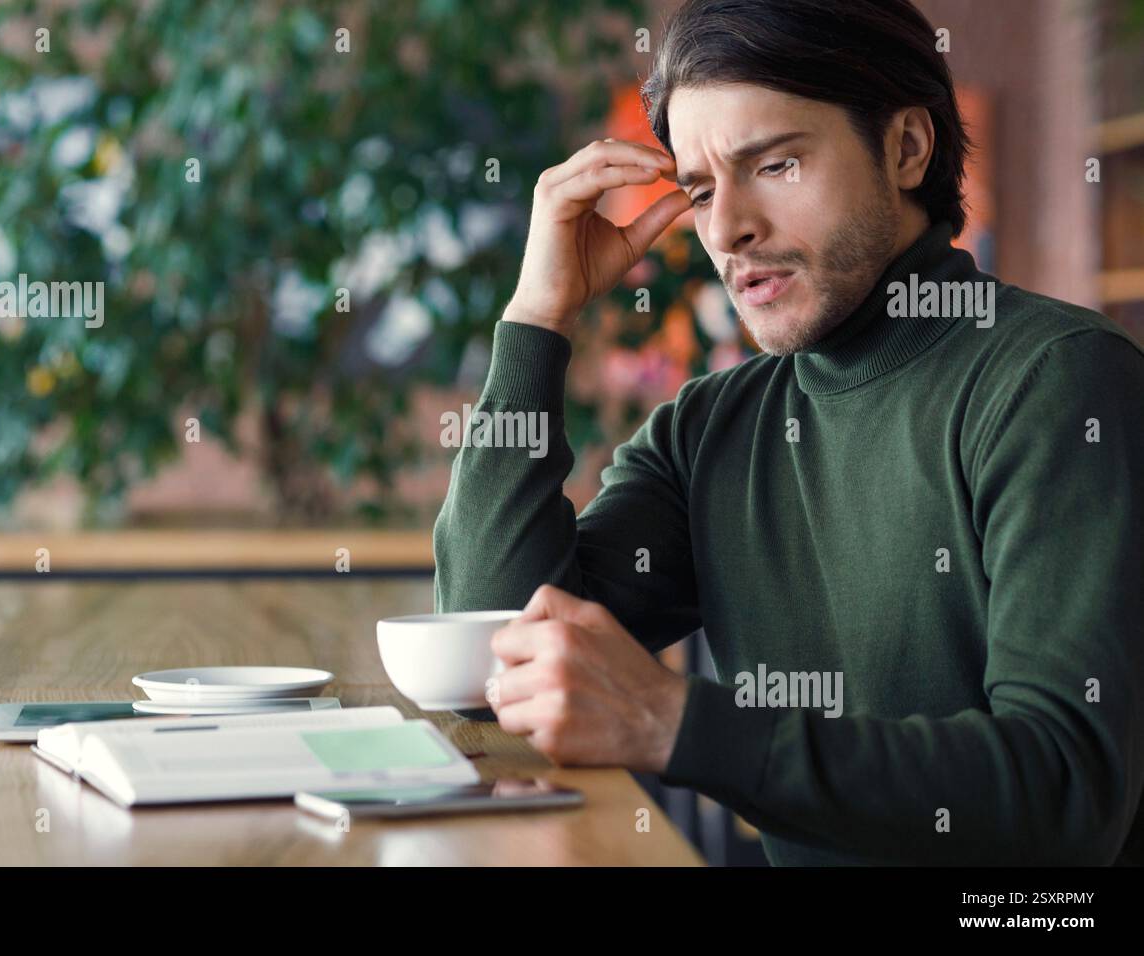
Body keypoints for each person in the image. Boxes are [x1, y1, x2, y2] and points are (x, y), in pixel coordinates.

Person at [432, 0, 1144, 865]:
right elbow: (492, 654)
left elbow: (1064, 791)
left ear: (907, 148)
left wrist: (674, 724)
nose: (727, 227)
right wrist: (536, 319)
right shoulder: (710, 430)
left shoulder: (1060, 381)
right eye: (699, 190)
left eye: (773, 164)